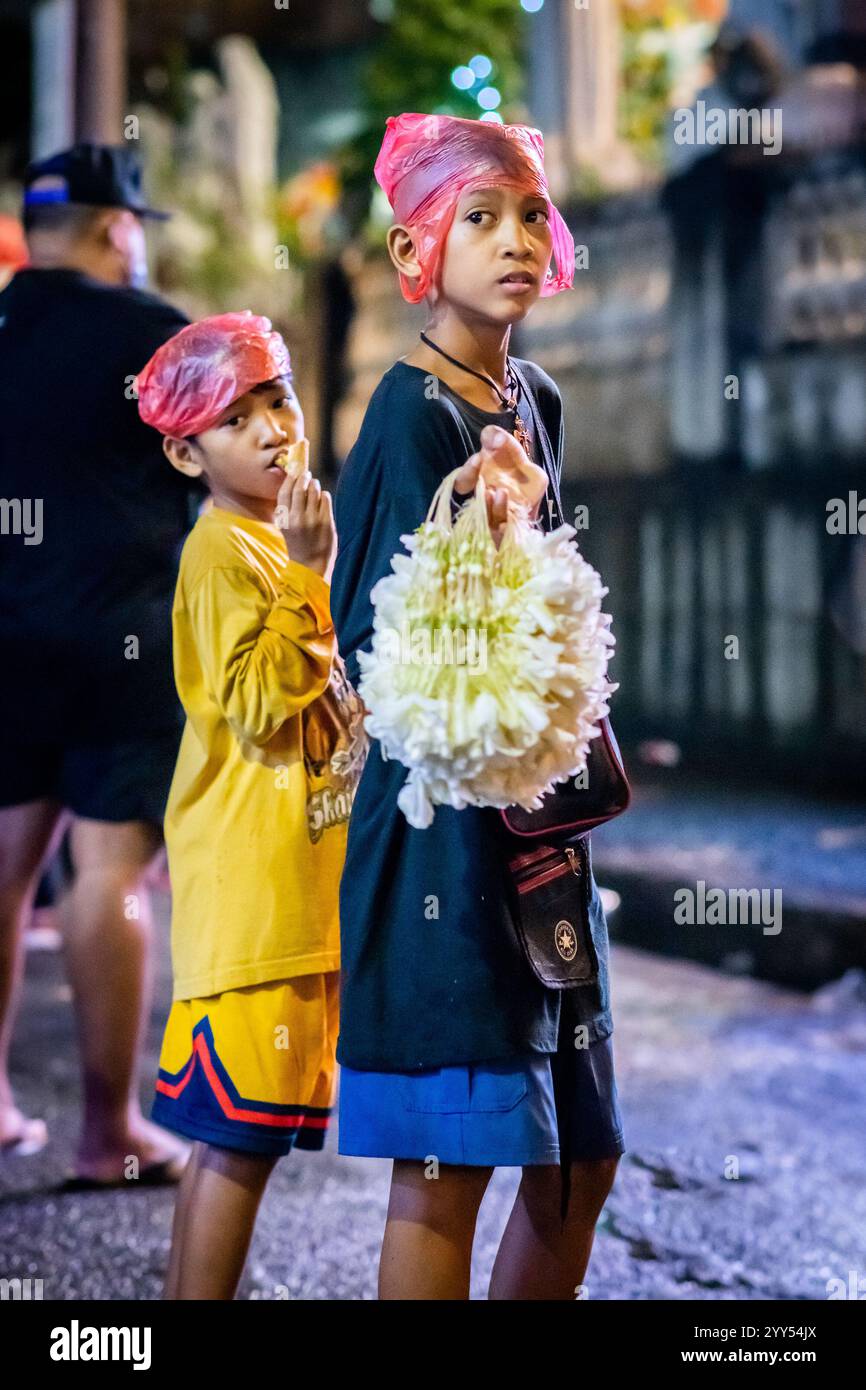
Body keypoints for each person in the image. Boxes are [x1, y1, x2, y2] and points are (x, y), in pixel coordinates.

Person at [330, 113, 626, 1300]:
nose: (514, 241)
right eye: (479, 217)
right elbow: (367, 646)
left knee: (578, 1160)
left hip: (539, 828)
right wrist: (469, 533)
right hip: (441, 839)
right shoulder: (408, 416)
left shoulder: (532, 396)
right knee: (446, 1168)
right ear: (416, 252)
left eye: (527, 215)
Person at [137, 313, 365, 1299]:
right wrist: (311, 578)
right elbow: (268, 704)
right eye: (239, 417)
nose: (275, 428)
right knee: (239, 1150)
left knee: (233, 1151)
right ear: (187, 452)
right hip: (257, 915)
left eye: (278, 398)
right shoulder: (226, 554)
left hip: (288, 911)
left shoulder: (267, 543)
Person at [0, 145, 196, 1178]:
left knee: (5, 867)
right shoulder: (153, 335)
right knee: (108, 866)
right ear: (118, 228)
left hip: (6, 634)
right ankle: (104, 1129)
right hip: (123, 632)